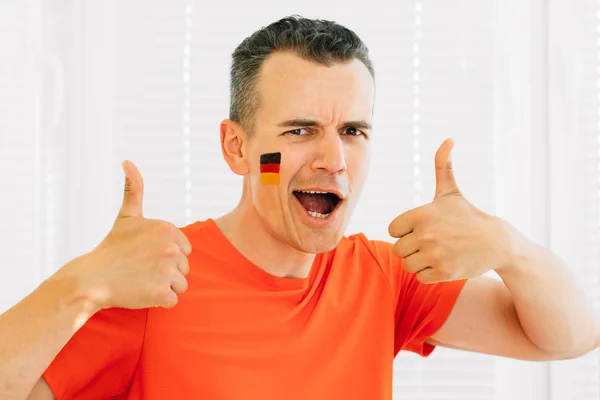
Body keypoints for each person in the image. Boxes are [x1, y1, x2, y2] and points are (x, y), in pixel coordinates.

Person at [1, 15, 599, 400]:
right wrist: (79, 286)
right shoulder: (157, 280)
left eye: (354, 131)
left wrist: (511, 250)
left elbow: (571, 337)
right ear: (238, 148)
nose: (334, 159)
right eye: (299, 130)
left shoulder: (384, 279)